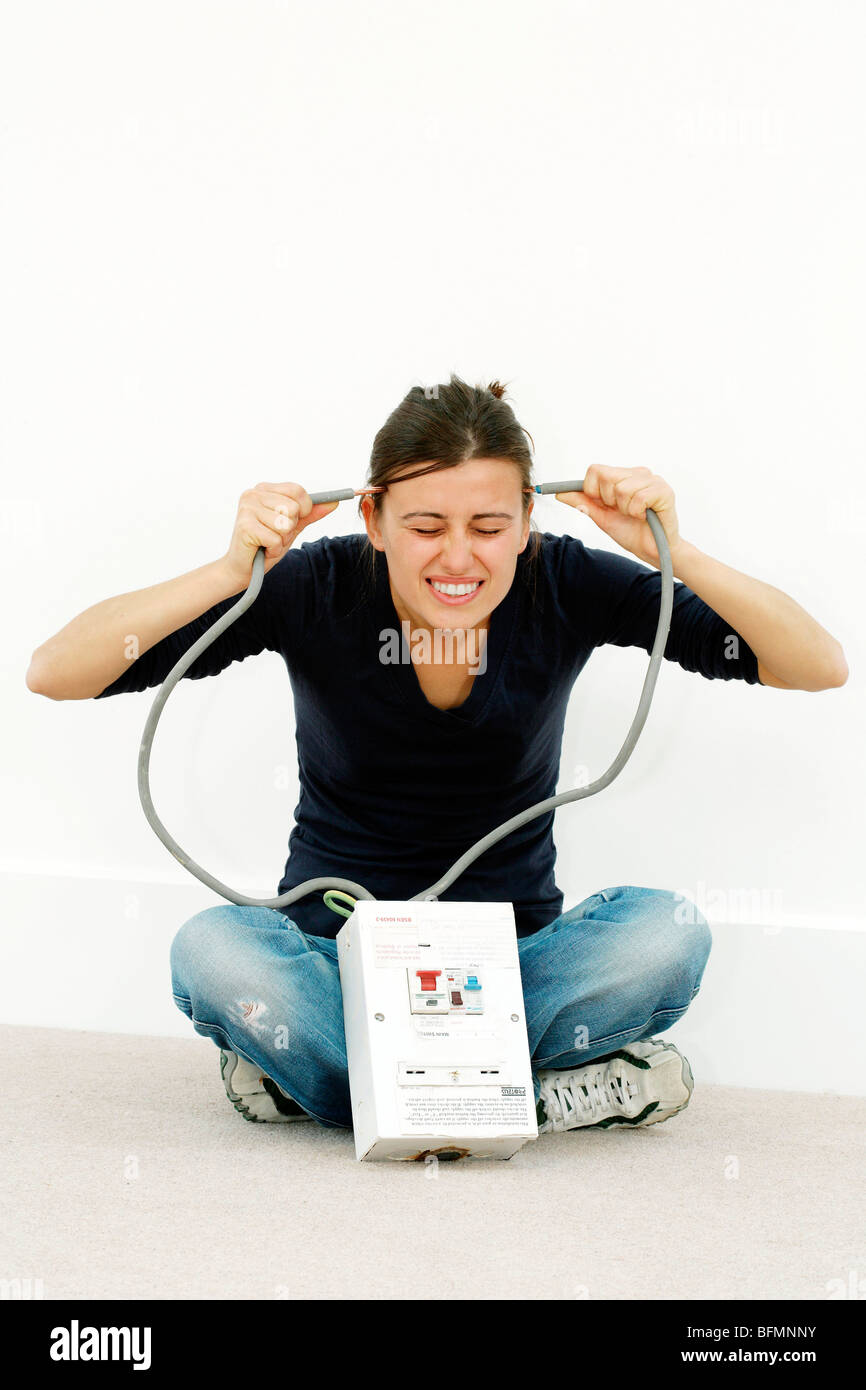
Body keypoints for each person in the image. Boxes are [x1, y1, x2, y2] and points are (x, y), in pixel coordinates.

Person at [26, 374, 848, 1138]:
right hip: (333, 962)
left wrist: (673, 550)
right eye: (425, 526)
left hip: (509, 967)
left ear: (528, 521)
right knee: (213, 949)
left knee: (664, 933)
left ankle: (334, 1082)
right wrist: (228, 570)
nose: (459, 557)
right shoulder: (314, 586)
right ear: (373, 520)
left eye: (489, 527)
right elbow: (55, 673)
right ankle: (518, 1097)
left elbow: (816, 666)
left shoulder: (564, 580)